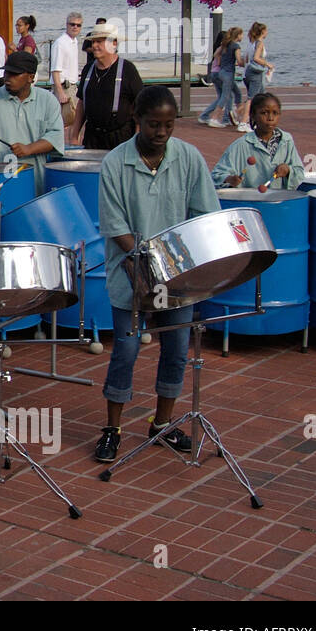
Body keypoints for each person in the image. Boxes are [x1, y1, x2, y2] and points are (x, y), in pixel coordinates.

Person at [94, 85, 219, 463]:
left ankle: (162, 423)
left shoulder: (189, 158)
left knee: (177, 349)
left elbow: (203, 212)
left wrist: (180, 264)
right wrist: (143, 263)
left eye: (167, 125)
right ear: (137, 121)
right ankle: (112, 428)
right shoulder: (115, 163)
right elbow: (114, 223)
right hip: (130, 271)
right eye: (153, 125)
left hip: (179, 275)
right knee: (127, 350)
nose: (160, 133)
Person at [0, 50, 64, 193]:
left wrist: (29, 148)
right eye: (6, 72)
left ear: (31, 77)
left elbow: (55, 136)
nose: (7, 78)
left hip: (35, 182)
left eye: (14, 74)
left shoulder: (48, 101)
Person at [69, 23, 144, 150]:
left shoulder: (127, 69)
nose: (94, 46)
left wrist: (138, 137)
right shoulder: (88, 69)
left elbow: (141, 104)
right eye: (93, 42)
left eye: (99, 42)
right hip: (92, 137)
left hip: (120, 139)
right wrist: (74, 136)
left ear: (113, 43)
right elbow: (82, 102)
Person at [211, 92, 305, 191]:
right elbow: (216, 175)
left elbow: (299, 173)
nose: (270, 118)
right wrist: (229, 179)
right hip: (251, 201)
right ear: (253, 115)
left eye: (275, 113)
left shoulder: (286, 140)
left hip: (279, 201)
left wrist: (288, 170)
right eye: (264, 113)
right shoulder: (241, 145)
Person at [198, 27, 245, 129]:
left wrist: (220, 61)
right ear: (238, 35)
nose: (243, 36)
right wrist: (245, 62)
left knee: (237, 93)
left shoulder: (225, 44)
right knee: (225, 96)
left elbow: (215, 54)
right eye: (241, 34)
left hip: (222, 72)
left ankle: (233, 115)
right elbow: (239, 61)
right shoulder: (236, 46)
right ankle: (214, 118)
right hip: (228, 73)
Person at [235, 22, 273, 127]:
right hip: (255, 73)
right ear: (262, 32)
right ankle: (243, 121)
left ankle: (254, 119)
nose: (267, 33)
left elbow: (245, 60)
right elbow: (256, 58)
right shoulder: (259, 43)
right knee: (252, 98)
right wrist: (268, 64)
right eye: (266, 31)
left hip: (247, 73)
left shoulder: (251, 44)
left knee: (260, 97)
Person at [50, 12, 83, 135]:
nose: (75, 27)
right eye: (72, 24)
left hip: (73, 86)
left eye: (78, 25)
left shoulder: (74, 42)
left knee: (72, 119)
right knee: (64, 120)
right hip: (64, 86)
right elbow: (55, 69)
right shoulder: (61, 43)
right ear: (67, 25)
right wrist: (60, 92)